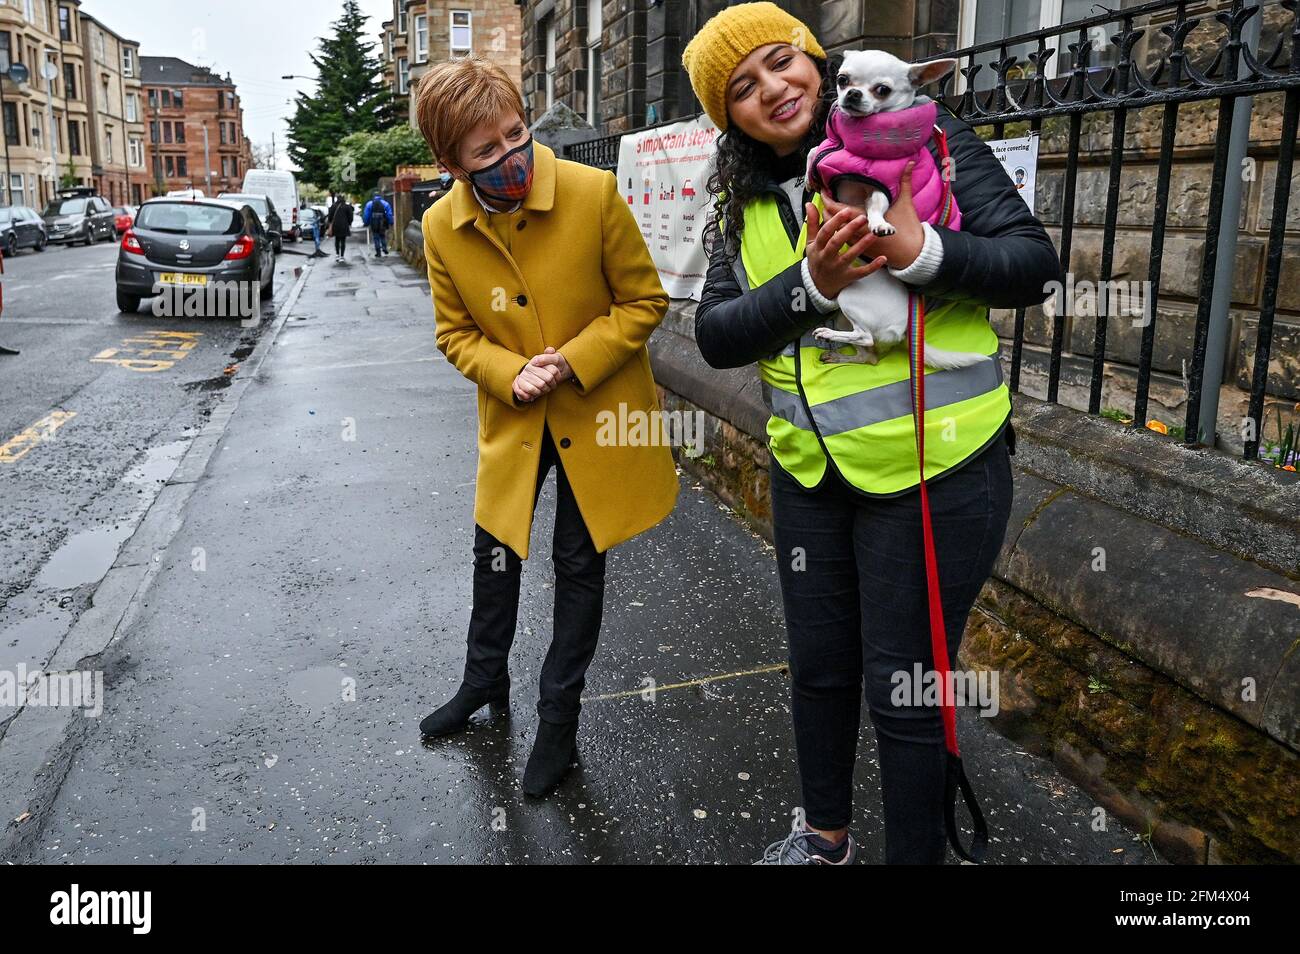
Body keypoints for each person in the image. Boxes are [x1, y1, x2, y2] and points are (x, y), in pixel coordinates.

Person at [682, 2, 1063, 864]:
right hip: (811, 476)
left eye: (783, 61)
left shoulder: (930, 143)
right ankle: (824, 841)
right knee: (818, 670)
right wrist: (811, 289)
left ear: (818, 59)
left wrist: (920, 252)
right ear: (728, 116)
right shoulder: (744, 201)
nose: (773, 88)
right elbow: (715, 334)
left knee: (905, 692)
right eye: (742, 88)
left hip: (938, 470)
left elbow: (1032, 268)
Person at [413, 58, 679, 796]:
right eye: (485, 151)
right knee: (493, 559)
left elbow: (643, 302)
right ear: (450, 164)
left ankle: (558, 727)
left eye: (517, 134)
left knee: (578, 569)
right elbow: (455, 334)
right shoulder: (440, 225)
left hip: (597, 416)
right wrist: (508, 371)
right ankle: (482, 683)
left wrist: (571, 360)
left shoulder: (592, 192)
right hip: (517, 422)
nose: (511, 158)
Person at [362, 191, 394, 257]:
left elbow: (366, 214)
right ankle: (384, 248)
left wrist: (366, 222)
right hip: (382, 222)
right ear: (380, 196)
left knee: (376, 237)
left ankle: (378, 252)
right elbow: (389, 214)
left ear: (373, 197)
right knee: (382, 235)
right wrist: (390, 222)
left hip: (373, 223)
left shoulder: (369, 204)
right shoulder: (385, 204)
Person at [328, 196, 353, 262]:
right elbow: (350, 217)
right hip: (344, 225)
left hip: (336, 226)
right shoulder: (347, 207)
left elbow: (330, 216)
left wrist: (330, 223)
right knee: (343, 241)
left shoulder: (333, 206)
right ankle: (342, 256)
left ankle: (337, 255)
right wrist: (349, 223)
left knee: (337, 240)